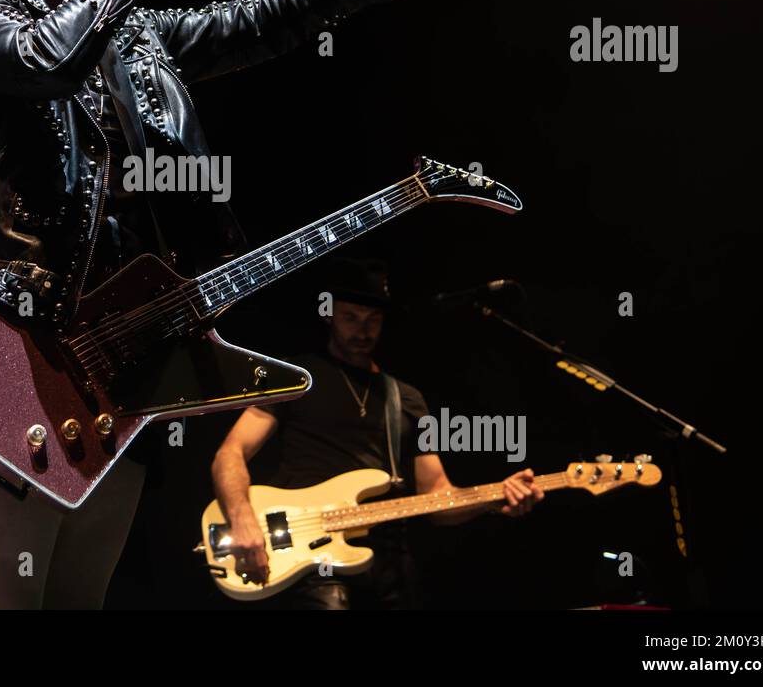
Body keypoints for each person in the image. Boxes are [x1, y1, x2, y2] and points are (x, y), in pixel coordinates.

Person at [0, 0, 492, 609]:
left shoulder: (134, 37)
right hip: (14, 341)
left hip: (120, 356)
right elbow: (43, 63)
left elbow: (254, 21)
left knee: (73, 600)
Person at [210, 257, 544, 609]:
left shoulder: (407, 398)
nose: (363, 331)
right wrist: (241, 517)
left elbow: (437, 495)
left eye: (373, 320)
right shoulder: (296, 378)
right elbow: (229, 454)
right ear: (329, 314)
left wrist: (495, 496)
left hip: (389, 566)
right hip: (309, 556)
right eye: (351, 317)